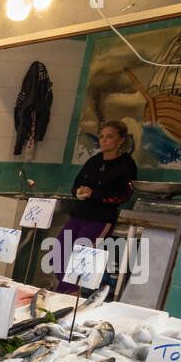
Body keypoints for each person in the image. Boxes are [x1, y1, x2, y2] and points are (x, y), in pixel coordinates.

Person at [55, 120, 137, 293]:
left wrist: (95, 194)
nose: (104, 140)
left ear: (121, 140)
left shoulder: (126, 165)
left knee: (79, 260)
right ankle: (66, 293)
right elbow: (76, 184)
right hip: (78, 215)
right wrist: (77, 192)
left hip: (99, 219)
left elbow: (124, 195)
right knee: (58, 256)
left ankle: (65, 296)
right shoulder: (93, 161)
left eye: (110, 136)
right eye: (101, 136)